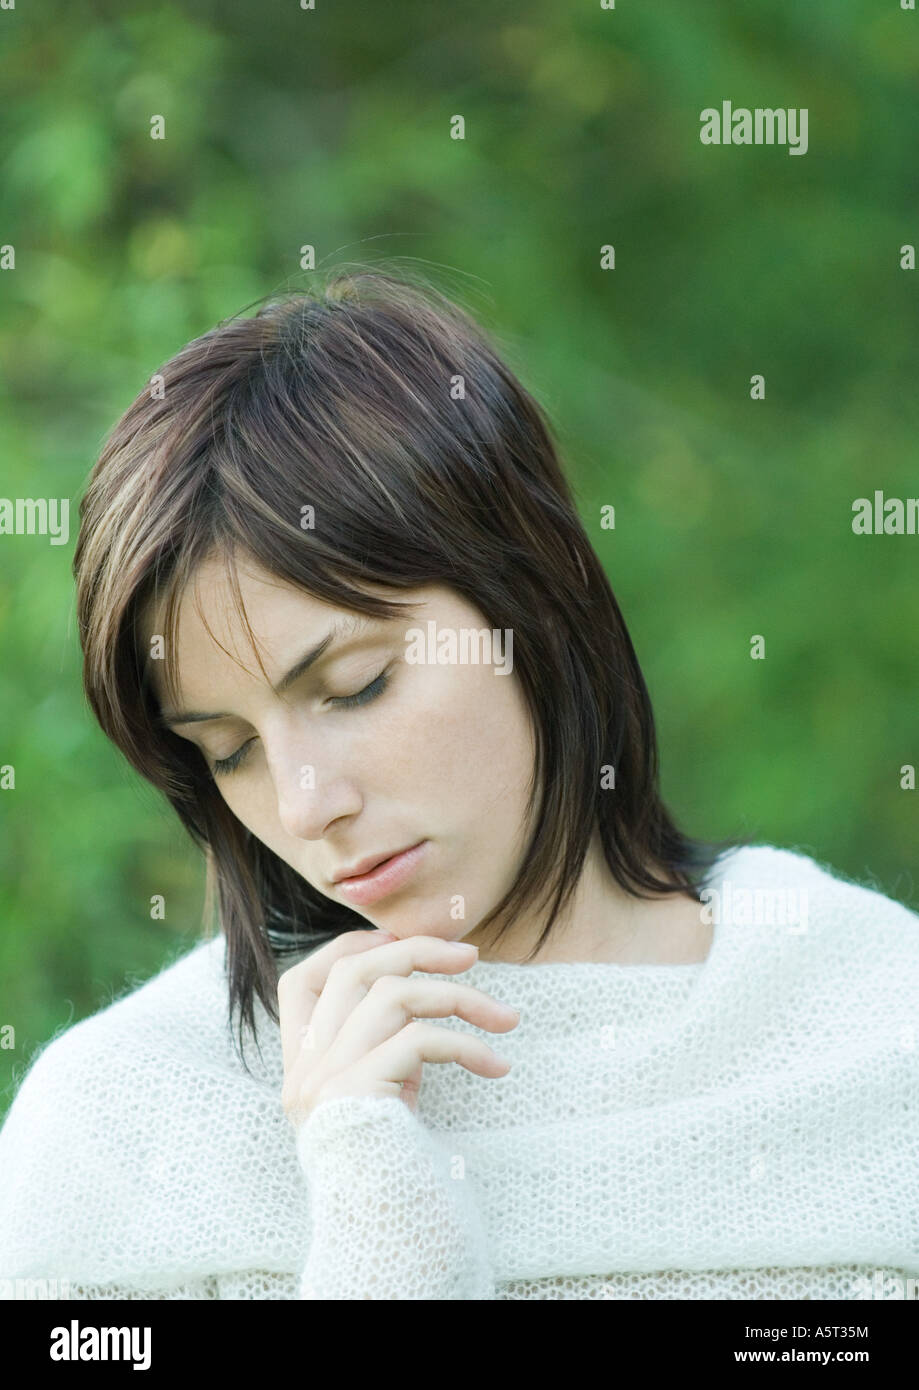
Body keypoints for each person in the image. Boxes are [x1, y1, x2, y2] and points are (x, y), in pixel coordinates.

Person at [1, 269, 916, 1300]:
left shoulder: (874, 1025)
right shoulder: (127, 1128)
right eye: (228, 749)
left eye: (357, 685)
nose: (305, 806)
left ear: (536, 591)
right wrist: (368, 1195)